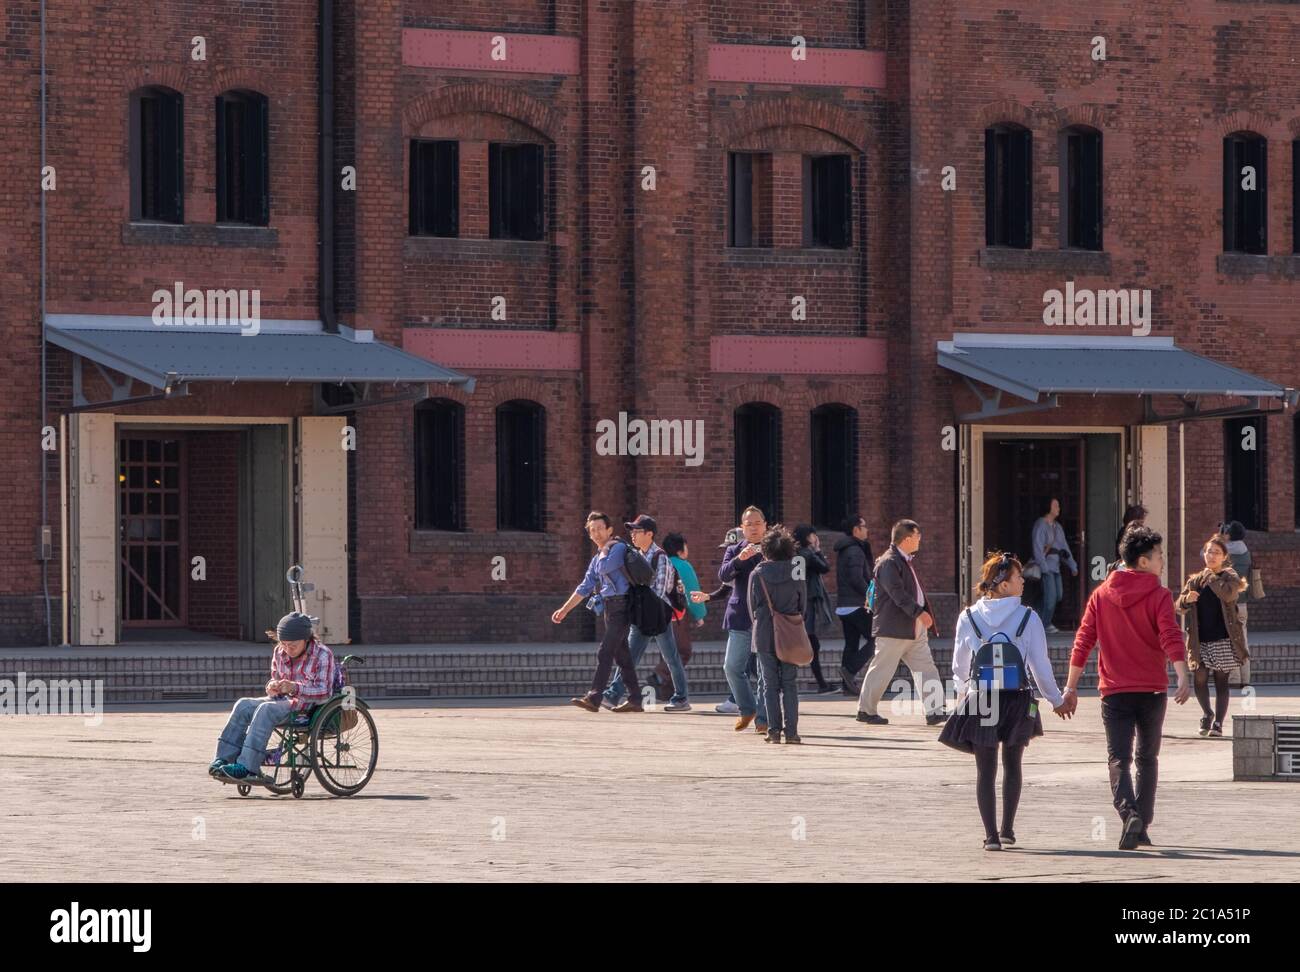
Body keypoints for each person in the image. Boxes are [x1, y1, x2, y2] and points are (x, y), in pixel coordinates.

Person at [1066, 525, 1191, 850]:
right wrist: (1182, 673)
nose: (1163, 562)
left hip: (1114, 690)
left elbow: (1083, 641)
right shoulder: (1159, 595)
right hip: (1152, 689)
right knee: (1147, 758)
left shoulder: (1100, 595)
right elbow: (1169, 634)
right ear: (1144, 561)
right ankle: (1142, 823)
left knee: (1119, 758)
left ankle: (1129, 813)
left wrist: (1071, 687)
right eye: (1160, 556)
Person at [940, 553, 1068, 850]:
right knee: (1013, 764)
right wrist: (1055, 699)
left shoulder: (968, 616)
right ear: (1004, 584)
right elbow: (1039, 665)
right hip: (1018, 699)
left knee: (985, 770)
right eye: (1018, 576)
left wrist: (963, 694)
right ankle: (1008, 829)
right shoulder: (1028, 616)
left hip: (982, 699)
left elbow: (960, 665)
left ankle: (991, 837)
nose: (1023, 580)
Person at [210, 612, 337, 783]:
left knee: (266, 709)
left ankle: (247, 767)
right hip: (281, 701)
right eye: (283, 644)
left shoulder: (322, 654)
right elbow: (275, 677)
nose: (287, 649)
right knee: (243, 705)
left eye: (292, 645)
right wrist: (272, 686)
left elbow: (324, 691)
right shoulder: (280, 651)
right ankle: (224, 759)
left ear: (306, 639)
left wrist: (294, 687)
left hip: (307, 706)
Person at [856, 519, 947, 726]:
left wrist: (920, 615)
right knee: (882, 670)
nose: (919, 539)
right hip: (894, 627)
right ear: (906, 539)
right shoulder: (889, 562)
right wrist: (919, 612)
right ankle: (865, 710)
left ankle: (935, 710)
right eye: (917, 536)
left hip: (913, 626)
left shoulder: (903, 560)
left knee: (926, 668)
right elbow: (897, 594)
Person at [552, 511, 642, 713]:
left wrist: (603, 551)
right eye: (592, 530)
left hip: (622, 606)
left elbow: (607, 567)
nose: (597, 533)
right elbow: (584, 587)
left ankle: (594, 697)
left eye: (600, 529)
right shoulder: (596, 558)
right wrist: (564, 610)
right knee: (622, 656)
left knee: (605, 651)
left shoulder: (617, 547)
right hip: (610, 608)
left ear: (610, 530)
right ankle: (636, 698)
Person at [603, 515, 691, 711]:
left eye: (637, 531)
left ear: (649, 534)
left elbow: (659, 592)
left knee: (671, 658)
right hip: (643, 614)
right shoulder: (638, 555)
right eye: (631, 531)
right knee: (630, 657)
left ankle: (681, 698)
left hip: (658, 615)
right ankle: (612, 694)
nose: (632, 535)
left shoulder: (661, 557)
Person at [1175, 535, 1248, 738]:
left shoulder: (1230, 577)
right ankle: (1207, 713)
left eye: (1216, 552)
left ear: (1224, 556)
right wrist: (1186, 599)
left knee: (1221, 681)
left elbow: (1228, 595)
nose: (1211, 556)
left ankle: (1218, 723)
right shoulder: (1195, 580)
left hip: (1223, 638)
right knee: (1199, 678)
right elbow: (1178, 607)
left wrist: (1213, 577)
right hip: (1200, 639)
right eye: (1208, 551)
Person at [749, 526, 808, 743]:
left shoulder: (757, 574)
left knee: (769, 684)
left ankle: (773, 731)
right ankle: (791, 732)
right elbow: (803, 605)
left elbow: (751, 608)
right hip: (790, 634)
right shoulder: (796, 571)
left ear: (765, 551)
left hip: (764, 634)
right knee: (790, 684)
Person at [719, 506, 770, 733]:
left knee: (763, 671)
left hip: (766, 617)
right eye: (748, 524)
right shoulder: (734, 550)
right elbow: (723, 575)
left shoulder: (773, 549)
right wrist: (739, 559)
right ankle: (746, 708)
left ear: (765, 526)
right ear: (742, 528)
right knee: (731, 667)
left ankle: (763, 718)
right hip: (740, 617)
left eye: (757, 523)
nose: (753, 528)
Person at [691, 527, 742, 714]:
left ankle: (739, 700)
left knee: (741, 663)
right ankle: (737, 699)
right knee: (740, 663)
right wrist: (707, 597)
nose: (729, 551)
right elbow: (724, 589)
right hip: (739, 617)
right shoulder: (734, 566)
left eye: (733, 546)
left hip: (749, 618)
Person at [649, 532, 703, 703]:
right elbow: (692, 591)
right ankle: (660, 674)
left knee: (668, 652)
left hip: (659, 613)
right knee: (683, 651)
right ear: (680, 550)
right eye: (686, 546)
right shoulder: (683, 565)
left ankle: (666, 693)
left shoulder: (661, 563)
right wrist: (699, 614)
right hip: (677, 615)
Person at [833, 515, 875, 696]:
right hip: (857, 605)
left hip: (844, 605)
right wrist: (871, 596)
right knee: (876, 640)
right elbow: (856, 578)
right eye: (864, 526)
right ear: (856, 530)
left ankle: (846, 686)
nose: (867, 530)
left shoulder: (846, 549)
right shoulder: (855, 550)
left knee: (851, 644)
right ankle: (849, 670)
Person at [793, 524, 836, 693]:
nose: (815, 537)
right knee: (811, 642)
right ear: (807, 537)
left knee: (811, 642)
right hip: (808, 602)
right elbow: (825, 568)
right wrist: (817, 550)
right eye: (812, 535)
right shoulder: (808, 554)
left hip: (798, 601)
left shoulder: (795, 554)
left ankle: (822, 683)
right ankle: (821, 684)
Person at [1031, 497, 1079, 632]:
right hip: (1046, 567)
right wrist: (1044, 567)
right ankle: (1044, 625)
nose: (1058, 508)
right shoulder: (1040, 525)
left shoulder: (1057, 527)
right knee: (1050, 598)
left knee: (1058, 595)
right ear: (1048, 507)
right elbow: (1037, 548)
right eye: (1056, 506)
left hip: (1056, 566)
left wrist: (1072, 565)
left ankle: (1035, 616)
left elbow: (1064, 548)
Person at [1220, 520, 1254, 687]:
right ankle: (1245, 678)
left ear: (1229, 534)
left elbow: (1203, 554)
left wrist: (1219, 538)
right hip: (1243, 602)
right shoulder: (1246, 552)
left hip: (1228, 602)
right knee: (1243, 639)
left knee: (1229, 640)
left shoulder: (1226, 553)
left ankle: (1234, 679)